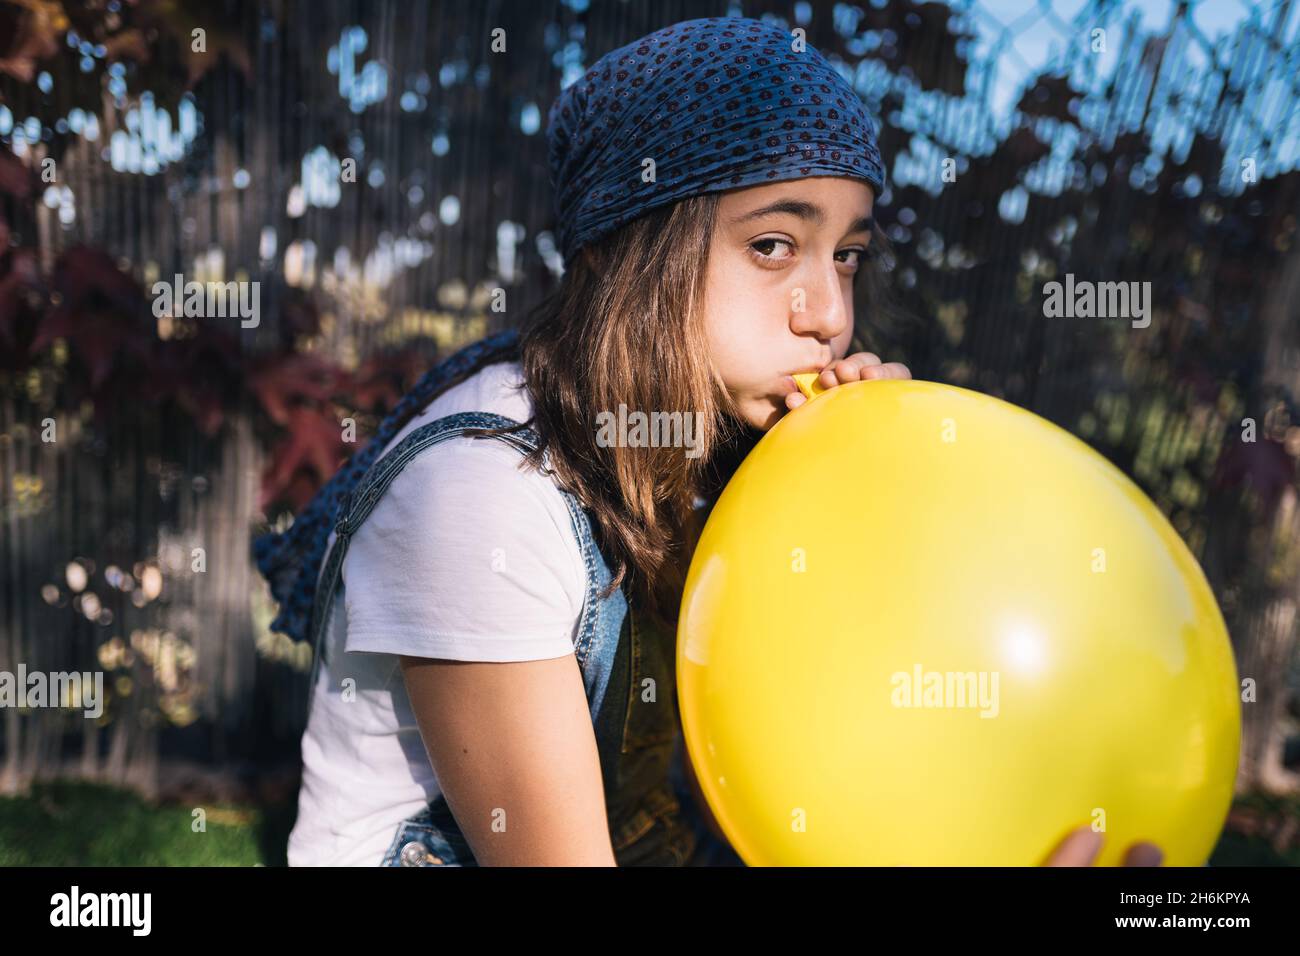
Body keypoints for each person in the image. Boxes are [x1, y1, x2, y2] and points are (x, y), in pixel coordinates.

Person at [254, 16, 1162, 868]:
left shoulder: (725, 447)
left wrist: (870, 512)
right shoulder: (483, 494)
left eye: (846, 254)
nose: (829, 314)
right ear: (624, 253)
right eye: (773, 245)